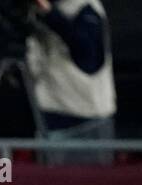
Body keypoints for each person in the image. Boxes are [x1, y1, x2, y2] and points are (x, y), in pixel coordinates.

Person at [25, 0, 116, 165]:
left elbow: (87, 56)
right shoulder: (35, 11)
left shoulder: (85, 8)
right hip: (50, 113)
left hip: (85, 119)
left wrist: (51, 15)